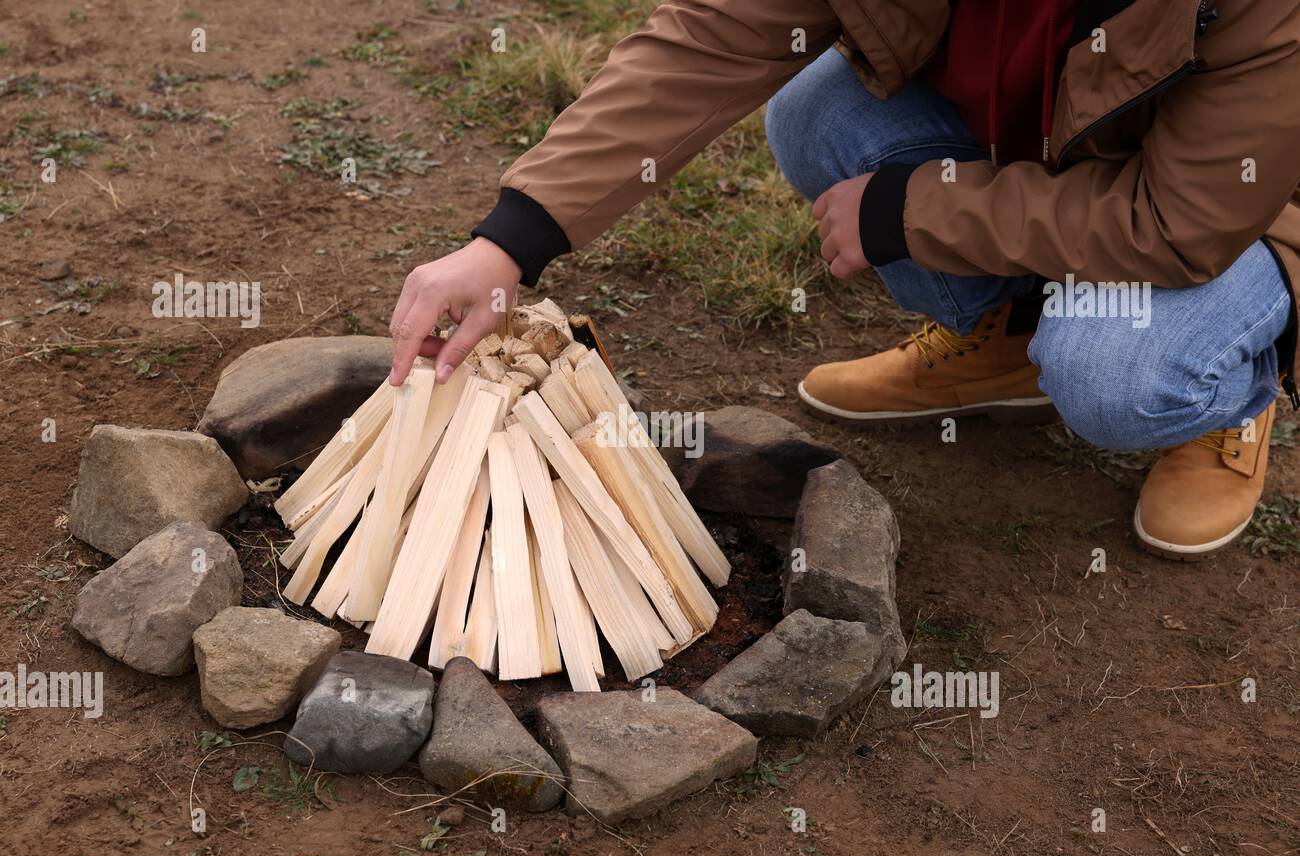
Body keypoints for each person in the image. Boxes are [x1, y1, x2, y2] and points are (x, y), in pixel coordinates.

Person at [387, 0, 1300, 560]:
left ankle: (1227, 393)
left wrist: (916, 209)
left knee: (1115, 367)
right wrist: (509, 241)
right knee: (819, 113)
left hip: (1235, 213)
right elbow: (714, 35)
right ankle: (1011, 341)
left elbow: (1178, 223)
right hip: (1045, 163)